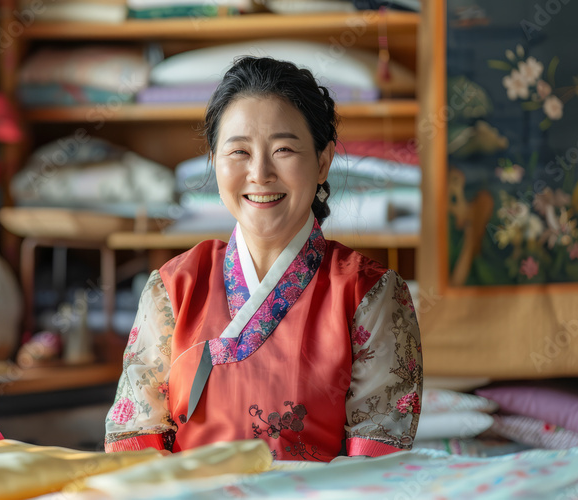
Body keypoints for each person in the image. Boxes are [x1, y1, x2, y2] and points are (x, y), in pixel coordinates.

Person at [103, 56, 422, 461]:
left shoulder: (370, 293)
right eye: (239, 151)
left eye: (283, 149)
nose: (260, 173)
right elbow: (134, 445)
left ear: (322, 162)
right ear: (214, 161)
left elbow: (377, 463)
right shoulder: (173, 287)